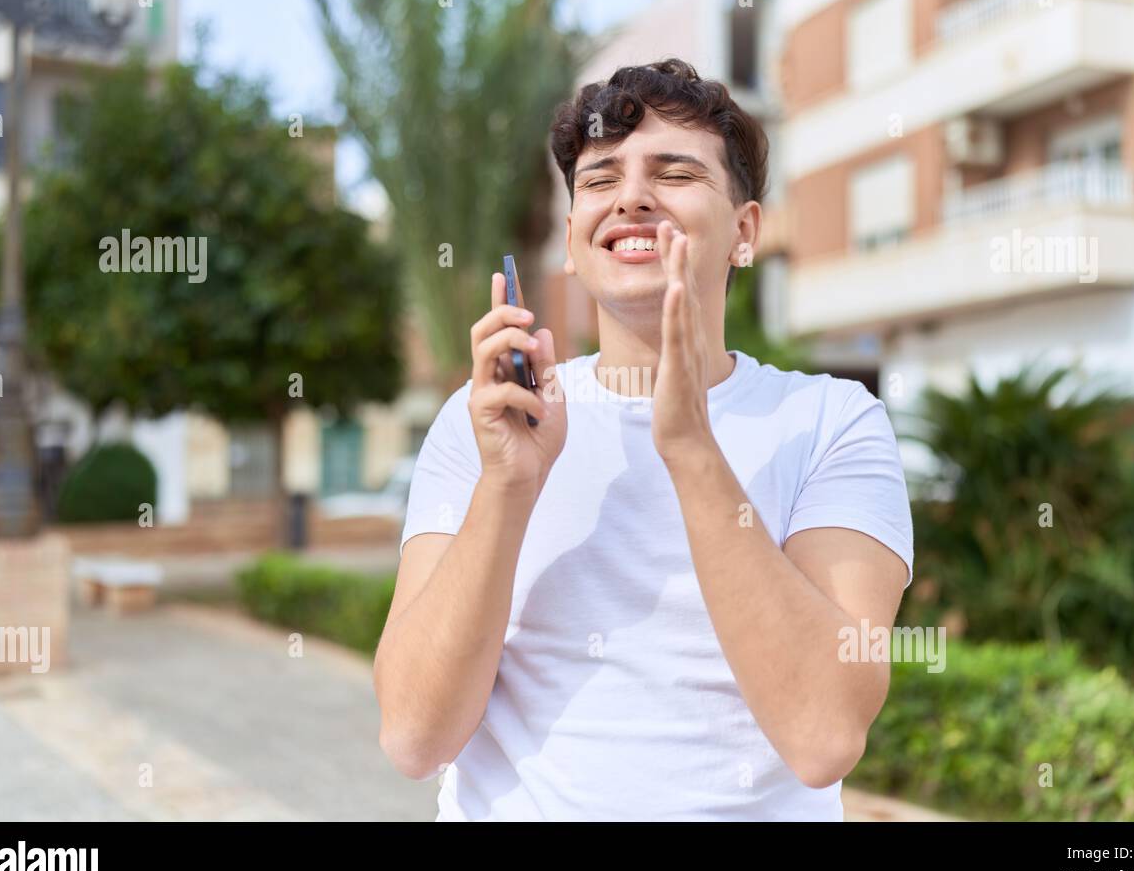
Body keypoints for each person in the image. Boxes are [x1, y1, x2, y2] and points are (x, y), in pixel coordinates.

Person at [378, 58, 914, 820]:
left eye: (674, 174)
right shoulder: (485, 423)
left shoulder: (833, 422)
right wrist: (508, 485)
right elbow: (411, 738)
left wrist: (692, 449)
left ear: (744, 231)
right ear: (571, 239)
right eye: (599, 181)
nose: (631, 198)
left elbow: (824, 734)